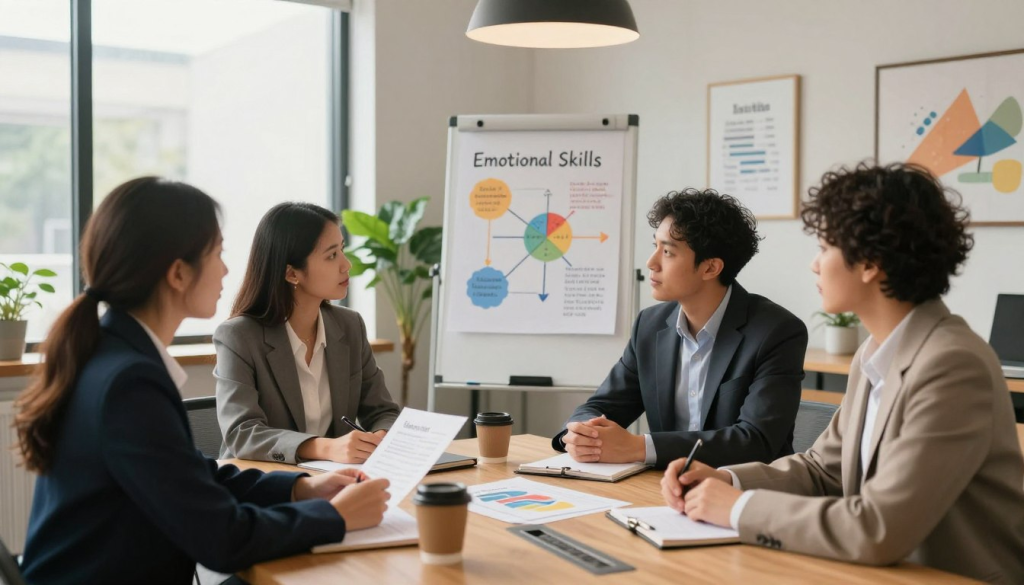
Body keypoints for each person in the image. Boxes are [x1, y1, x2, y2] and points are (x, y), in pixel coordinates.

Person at [15, 178, 390, 584]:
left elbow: (196, 476)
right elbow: (223, 537)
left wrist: (301, 490)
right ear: (178, 273)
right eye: (217, 253)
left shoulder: (114, 356)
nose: (227, 268)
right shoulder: (129, 383)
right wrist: (334, 516)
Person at [662, 163, 1024, 583]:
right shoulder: (875, 351)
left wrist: (736, 509)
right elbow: (823, 469)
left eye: (824, 247)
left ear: (869, 262)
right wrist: (726, 479)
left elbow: (878, 527)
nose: (815, 265)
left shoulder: (952, 364)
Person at [552, 188, 808, 468]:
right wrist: (579, 433)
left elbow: (756, 441)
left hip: (743, 493)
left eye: (667, 252)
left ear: (710, 268)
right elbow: (603, 405)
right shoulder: (649, 325)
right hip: (664, 488)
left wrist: (639, 446)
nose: (651, 263)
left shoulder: (776, 332)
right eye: (655, 246)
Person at [215, 202, 399, 464]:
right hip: (265, 485)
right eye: (332, 255)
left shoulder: (350, 326)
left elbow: (383, 411)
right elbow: (242, 433)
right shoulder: (239, 336)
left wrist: (380, 437)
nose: (346, 265)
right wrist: (325, 448)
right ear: (291, 273)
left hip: (337, 480)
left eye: (342, 250)